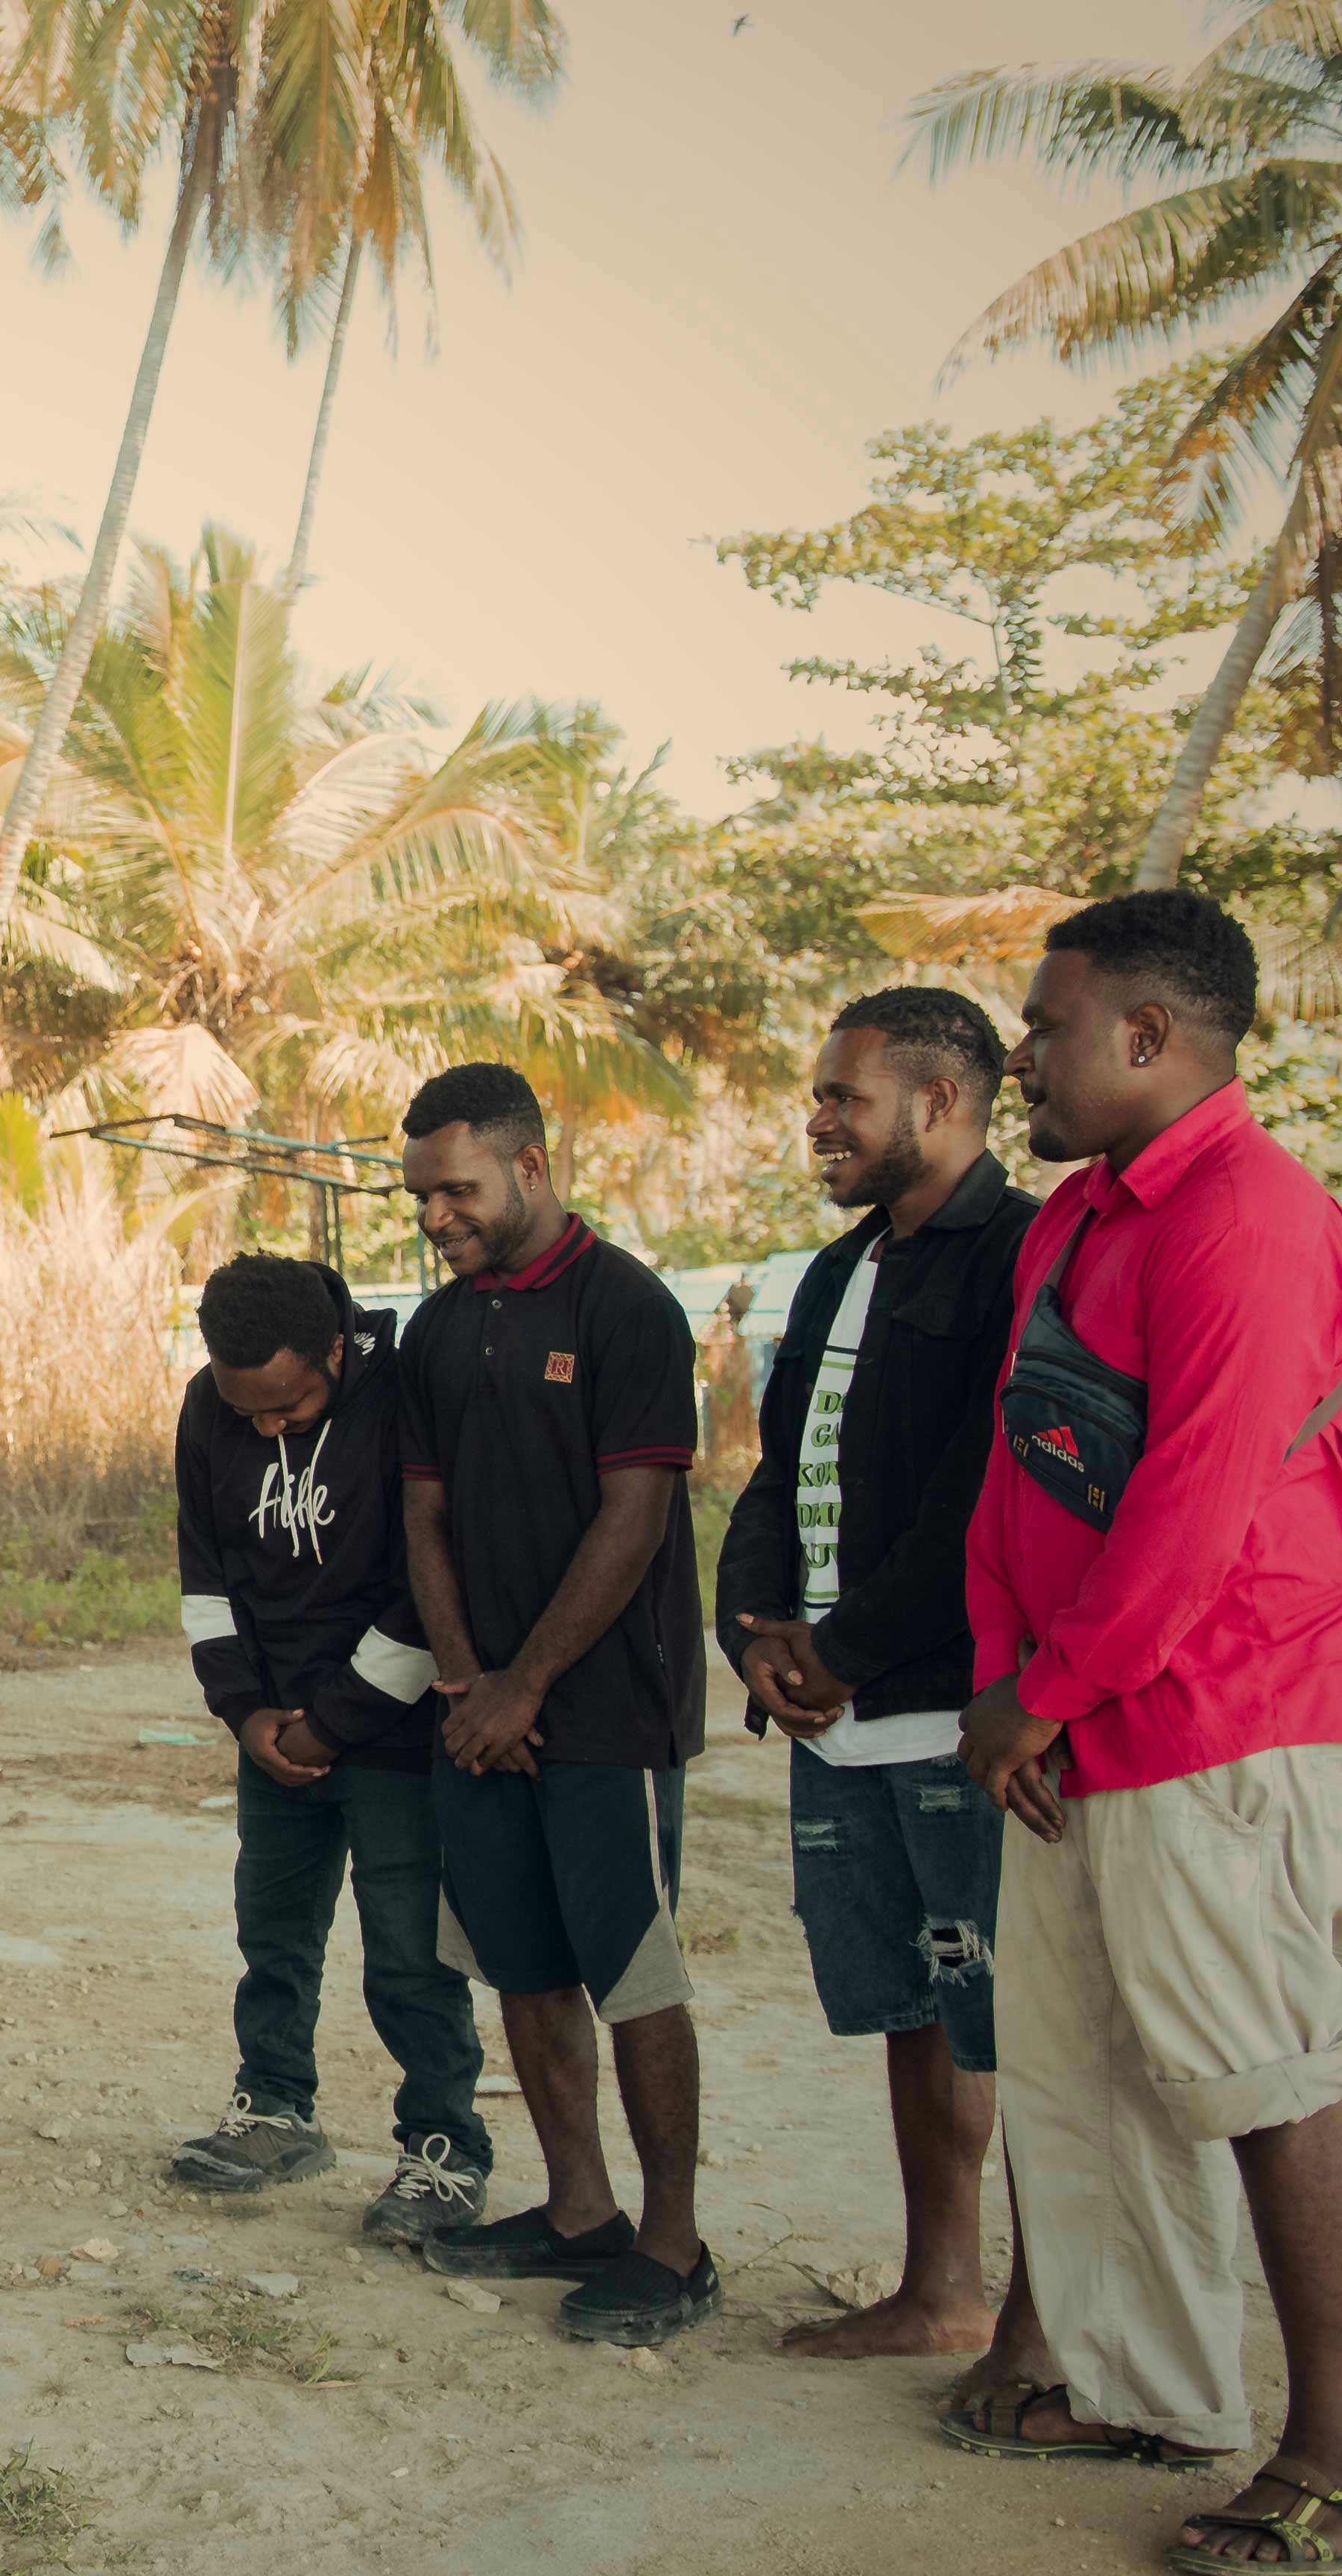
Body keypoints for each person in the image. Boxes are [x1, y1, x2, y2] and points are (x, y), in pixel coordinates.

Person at [943, 891, 1342, 2576]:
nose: (1021, 1054)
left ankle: (1327, 2454)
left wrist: (1044, 1688)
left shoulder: (1252, 1212)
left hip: (1220, 1716)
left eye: (1043, 1027)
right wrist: (1007, 1678)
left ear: (1149, 1037)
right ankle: (1151, 2389)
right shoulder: (1080, 1214)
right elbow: (1014, 1465)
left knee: (1258, 2082)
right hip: (1080, 1720)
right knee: (1093, 2073)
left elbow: (1200, 1500)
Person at [714, 987, 1036, 2365]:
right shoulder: (837, 1271)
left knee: (1004, 2015)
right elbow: (781, 1475)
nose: (818, 1120)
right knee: (909, 2003)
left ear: (942, 1103)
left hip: (957, 1710)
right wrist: (754, 1630)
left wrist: (838, 1652)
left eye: (845, 1097)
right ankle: (940, 2290)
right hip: (837, 1718)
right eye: (820, 1096)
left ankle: (1045, 2320)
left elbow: (982, 1493)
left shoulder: (1025, 1255)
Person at [393, 1061, 721, 2347]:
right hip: (481, 1713)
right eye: (419, 1196)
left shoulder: (628, 1307)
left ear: (531, 1166)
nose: (435, 1218)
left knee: (632, 1976)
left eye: (456, 1190)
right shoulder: (437, 1326)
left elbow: (636, 1518)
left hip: (608, 1715)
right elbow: (424, 1514)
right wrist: (470, 1684)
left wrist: (529, 1685)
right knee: (522, 1970)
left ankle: (673, 2243)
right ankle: (577, 2211)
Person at [167, 1252, 490, 2244]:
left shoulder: (402, 1385)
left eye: (288, 1410)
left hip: (392, 1730)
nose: (266, 1429)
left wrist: (334, 1719)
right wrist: (246, 1714)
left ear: (332, 1355)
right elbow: (206, 1575)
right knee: (272, 1930)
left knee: (407, 1953)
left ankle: (443, 2149)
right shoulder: (208, 1406)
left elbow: (430, 1579)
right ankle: (275, 2108)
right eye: (246, 1413)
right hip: (273, 1728)